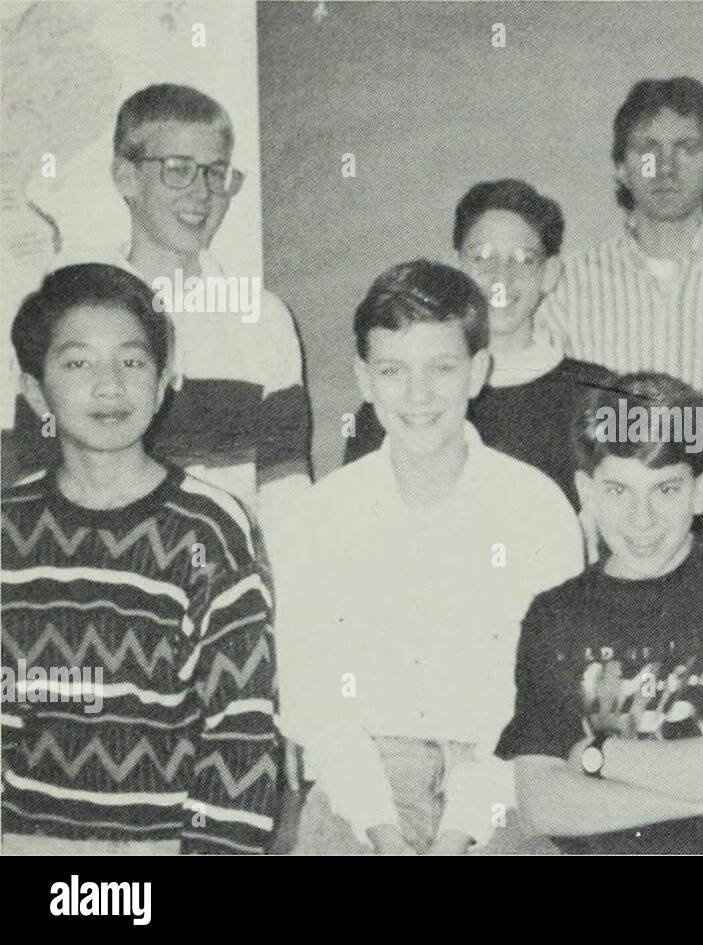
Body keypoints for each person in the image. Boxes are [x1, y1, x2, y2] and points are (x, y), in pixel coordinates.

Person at [272, 260, 584, 855]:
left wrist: (458, 834)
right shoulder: (323, 516)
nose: (417, 396)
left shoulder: (536, 509)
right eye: (393, 370)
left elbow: (539, 700)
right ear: (363, 379)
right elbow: (318, 702)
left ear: (478, 371)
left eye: (442, 368)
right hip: (362, 782)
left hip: (503, 779)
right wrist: (384, 834)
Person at [1, 263, 280, 854]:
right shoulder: (8, 525)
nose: (109, 385)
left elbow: (241, 728)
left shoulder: (210, 526)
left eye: (131, 362)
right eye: (78, 363)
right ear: (33, 389)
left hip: (162, 844)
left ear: (161, 384)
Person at [497, 372, 703, 853]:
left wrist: (596, 756)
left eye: (665, 490)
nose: (642, 520)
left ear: (701, 490)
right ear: (585, 491)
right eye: (618, 491)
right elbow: (542, 802)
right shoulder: (555, 616)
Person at [3, 83, 312, 522]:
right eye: (178, 169)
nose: (202, 193)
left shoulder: (263, 320)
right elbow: (36, 485)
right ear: (126, 177)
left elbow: (287, 496)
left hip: (225, 576)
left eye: (215, 172)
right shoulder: (67, 315)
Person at [343, 179, 611, 510]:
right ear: (456, 266)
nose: (502, 277)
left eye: (524, 259)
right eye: (482, 257)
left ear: (550, 273)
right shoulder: (400, 406)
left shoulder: (599, 395)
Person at [536, 77, 703, 403]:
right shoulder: (565, 287)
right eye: (647, 149)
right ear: (622, 168)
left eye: (687, 149)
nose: (665, 167)